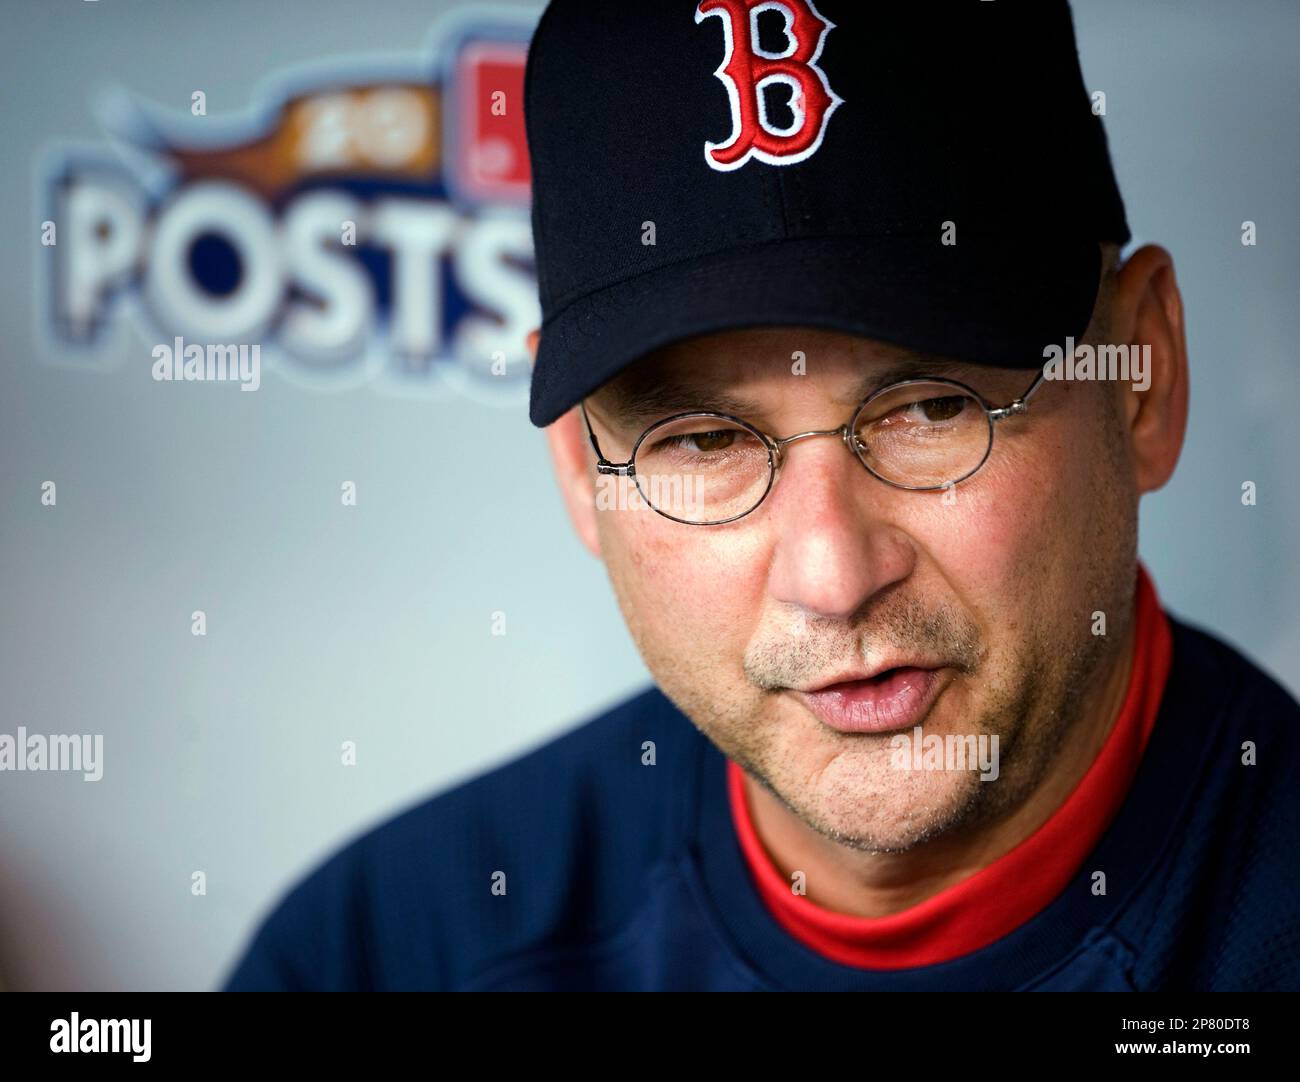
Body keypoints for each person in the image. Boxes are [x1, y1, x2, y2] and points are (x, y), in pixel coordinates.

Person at [221, 0, 1300, 991]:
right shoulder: (380, 952)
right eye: (704, 439)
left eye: (930, 408)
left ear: (1140, 375)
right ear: (578, 468)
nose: (831, 577)